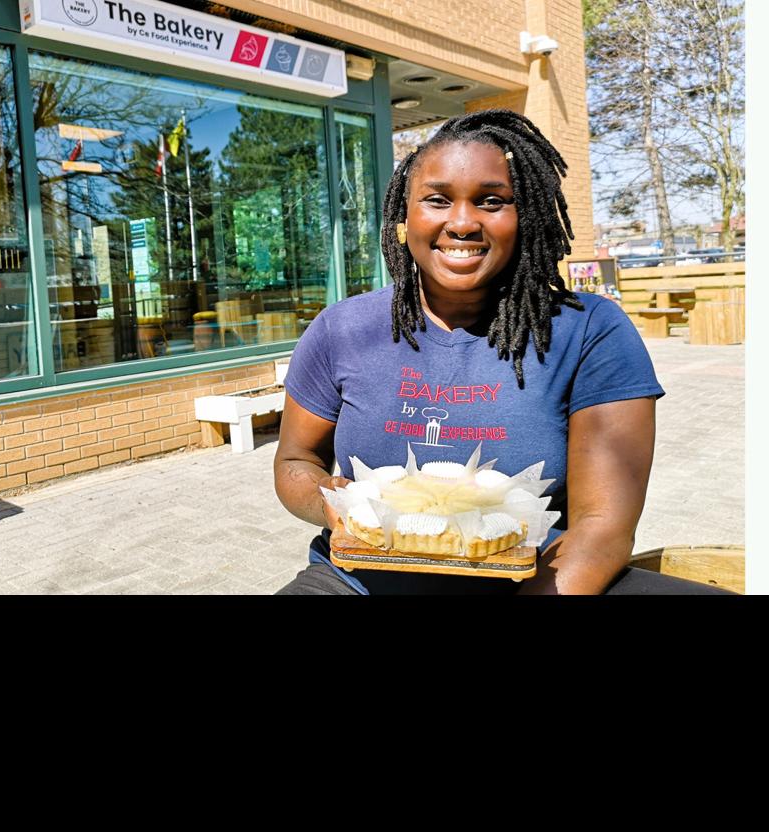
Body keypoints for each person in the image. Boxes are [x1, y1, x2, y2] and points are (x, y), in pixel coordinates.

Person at [272, 110, 731, 595]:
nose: (463, 222)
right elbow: (295, 460)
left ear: (525, 217)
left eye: (492, 201)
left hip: (535, 581)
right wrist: (333, 503)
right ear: (405, 217)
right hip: (356, 582)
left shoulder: (589, 331)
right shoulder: (343, 328)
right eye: (437, 200)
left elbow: (603, 526)